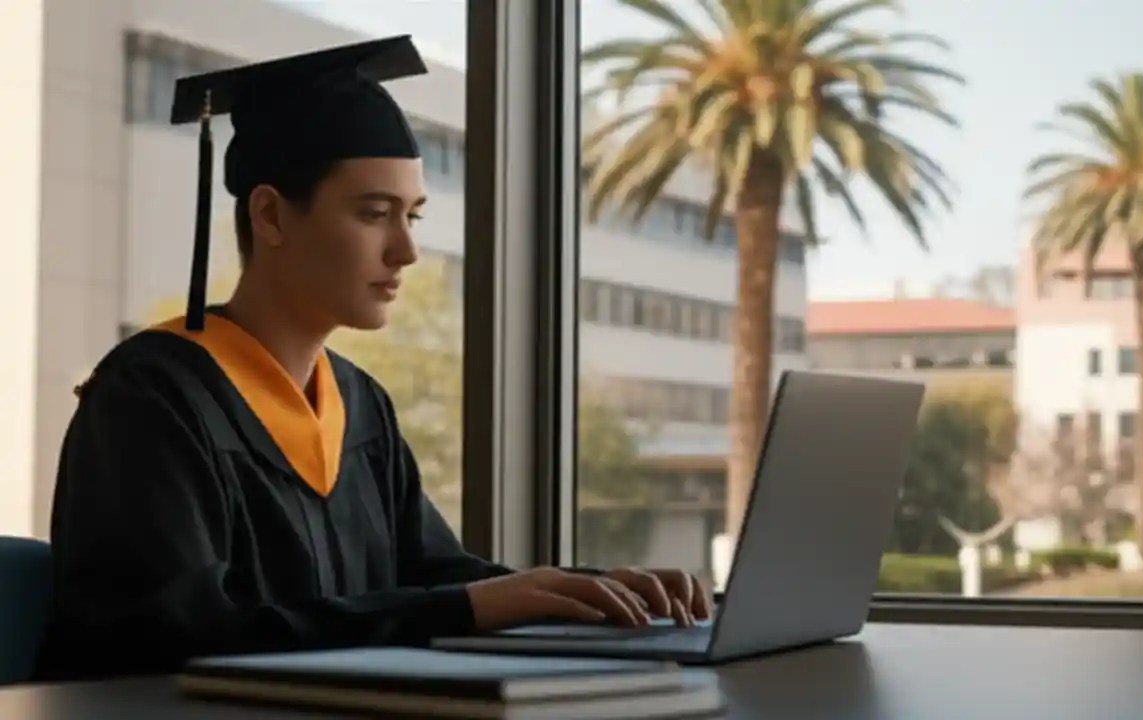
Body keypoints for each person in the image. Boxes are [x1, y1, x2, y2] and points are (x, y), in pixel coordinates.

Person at [39, 36, 711, 680]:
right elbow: (175, 637)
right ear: (270, 217)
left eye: (411, 216)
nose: (405, 251)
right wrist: (469, 607)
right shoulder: (151, 399)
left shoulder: (359, 404)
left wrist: (589, 589)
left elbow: (431, 575)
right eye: (373, 213)